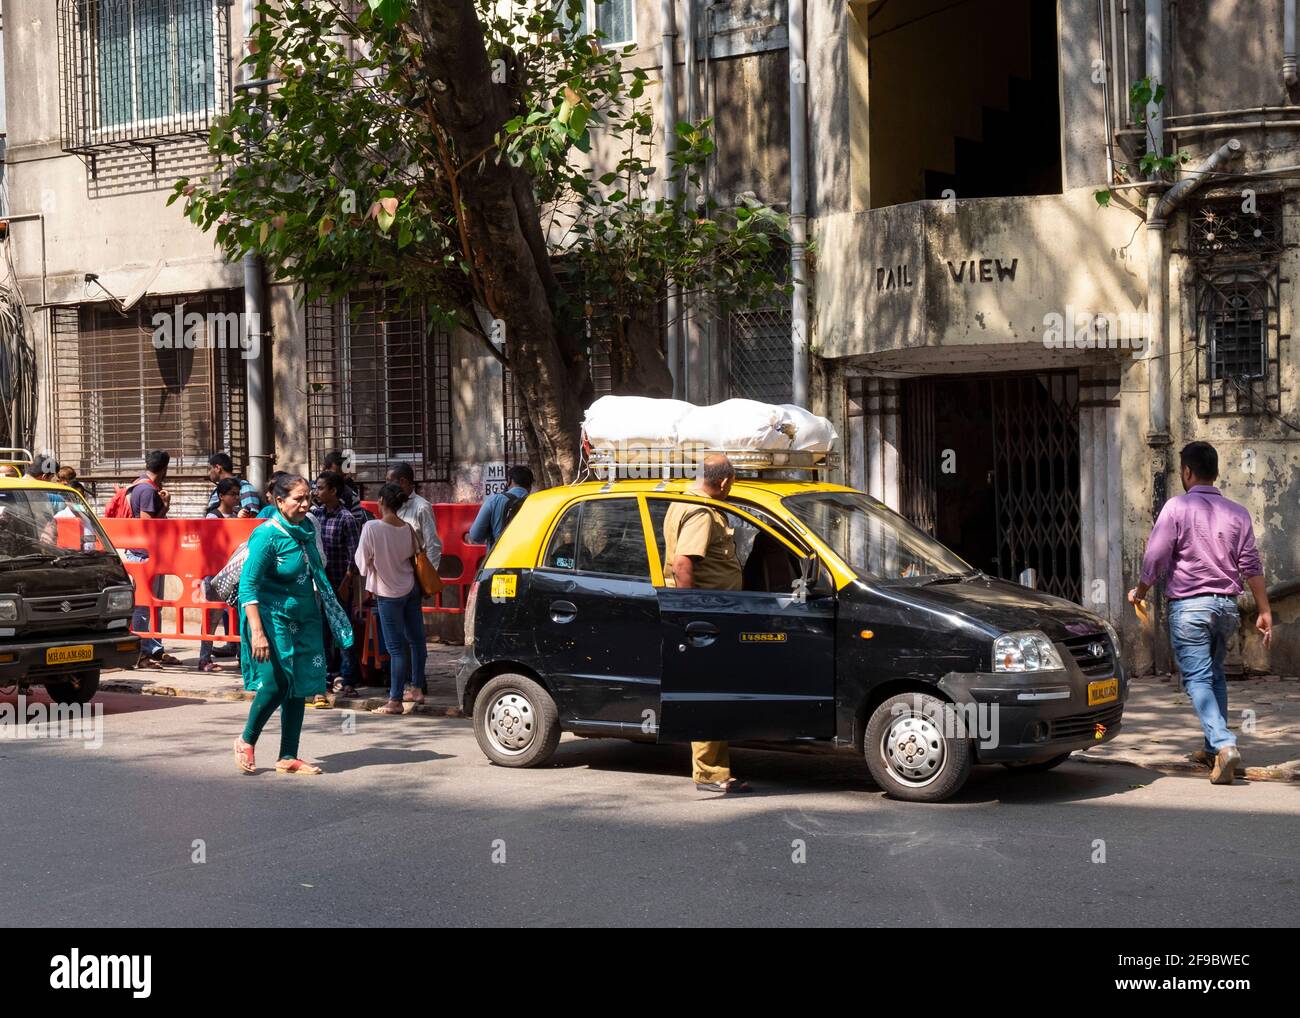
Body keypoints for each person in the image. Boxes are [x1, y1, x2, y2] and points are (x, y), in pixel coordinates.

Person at [1130, 441, 1271, 786]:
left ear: (1187, 472)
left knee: (1196, 679)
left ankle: (1224, 744)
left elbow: (1156, 556)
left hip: (1190, 608)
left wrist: (1142, 590)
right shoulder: (1238, 513)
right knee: (1216, 675)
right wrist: (1264, 609)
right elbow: (1250, 565)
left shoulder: (1176, 507)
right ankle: (1213, 749)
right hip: (1225, 608)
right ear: (1216, 472)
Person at [233, 474, 349, 776]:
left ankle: (288, 756)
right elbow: (248, 586)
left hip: (305, 617)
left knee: (299, 685)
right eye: (298, 498)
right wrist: (256, 632)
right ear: (278, 500)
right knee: (276, 683)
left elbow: (315, 571)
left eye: (308, 497)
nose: (306, 503)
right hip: (272, 619)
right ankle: (247, 739)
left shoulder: (307, 528)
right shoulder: (267, 536)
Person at [662, 454, 752, 795]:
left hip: (712, 614)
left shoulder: (681, 502)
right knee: (711, 690)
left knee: (712, 688)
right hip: (708, 616)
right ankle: (710, 774)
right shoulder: (702, 512)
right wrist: (692, 613)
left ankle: (714, 769)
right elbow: (683, 562)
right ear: (725, 482)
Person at [354, 483, 427, 714]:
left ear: (381, 502)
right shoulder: (408, 528)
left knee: (396, 649)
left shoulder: (371, 527)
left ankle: (395, 700)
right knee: (417, 640)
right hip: (411, 589)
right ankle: (416, 688)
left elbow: (362, 564)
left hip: (387, 594)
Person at [127, 450, 180, 670]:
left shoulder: (138, 485)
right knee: (144, 606)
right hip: (143, 554)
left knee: (154, 605)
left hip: (146, 554)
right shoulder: (147, 490)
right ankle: (141, 653)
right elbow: (148, 525)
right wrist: (165, 507)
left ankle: (154, 648)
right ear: (164, 469)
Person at [312, 471, 362, 699]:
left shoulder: (346, 518)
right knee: (322, 633)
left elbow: (355, 556)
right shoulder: (316, 516)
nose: (317, 492)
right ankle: (326, 678)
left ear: (333, 491)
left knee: (344, 631)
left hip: (339, 584)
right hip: (321, 585)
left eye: (321, 488)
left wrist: (346, 582)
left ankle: (349, 679)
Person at [198, 478, 241, 674]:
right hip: (214, 574)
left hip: (233, 574)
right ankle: (204, 659)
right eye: (232, 494)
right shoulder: (212, 518)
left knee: (239, 616)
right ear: (221, 496)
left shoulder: (235, 516)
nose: (236, 498)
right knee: (212, 617)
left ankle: (243, 657)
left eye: (237, 494)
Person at [469, 465, 533, 554]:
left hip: (498, 559)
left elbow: (475, 535)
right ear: (530, 485)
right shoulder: (536, 502)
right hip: (527, 559)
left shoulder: (494, 501)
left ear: (509, 480)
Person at [205, 452, 261, 517]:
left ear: (217, 468)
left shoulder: (244, 487)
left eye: (209, 469)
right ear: (221, 496)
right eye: (233, 494)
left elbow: (252, 517)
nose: (208, 473)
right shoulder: (216, 491)